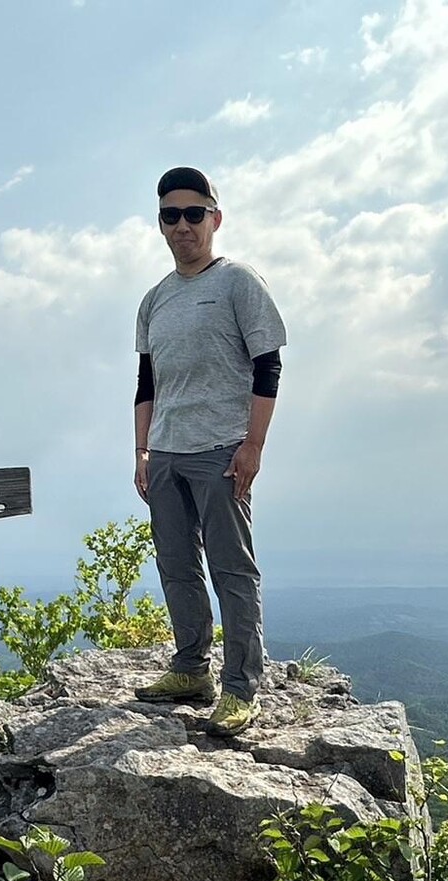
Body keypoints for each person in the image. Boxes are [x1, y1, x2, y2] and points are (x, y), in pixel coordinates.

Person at [132, 166, 286, 736]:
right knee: (175, 566)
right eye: (171, 215)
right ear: (161, 224)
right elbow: (146, 382)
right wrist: (142, 450)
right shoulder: (153, 301)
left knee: (231, 569)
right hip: (167, 451)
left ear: (215, 218)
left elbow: (268, 364)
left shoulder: (238, 282)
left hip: (221, 449)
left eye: (194, 214)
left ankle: (242, 687)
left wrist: (254, 445)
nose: (182, 225)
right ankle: (191, 669)